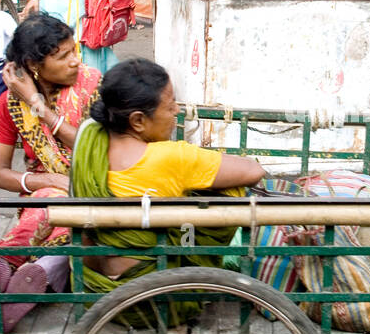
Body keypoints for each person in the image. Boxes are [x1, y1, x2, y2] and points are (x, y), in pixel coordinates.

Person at [70, 58, 265, 310]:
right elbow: (253, 170)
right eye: (170, 106)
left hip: (97, 289)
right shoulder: (169, 158)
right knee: (230, 190)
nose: (177, 112)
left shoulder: (88, 136)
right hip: (157, 299)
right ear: (138, 121)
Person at [0, 14, 103, 333]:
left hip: (98, 190)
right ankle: (36, 275)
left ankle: (6, 264)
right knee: (51, 199)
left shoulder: (93, 85)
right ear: (35, 65)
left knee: (63, 209)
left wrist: (39, 105)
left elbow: (95, 150)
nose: (76, 61)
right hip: (42, 201)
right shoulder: (10, 104)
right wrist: (45, 179)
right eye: (64, 56)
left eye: (74, 50)